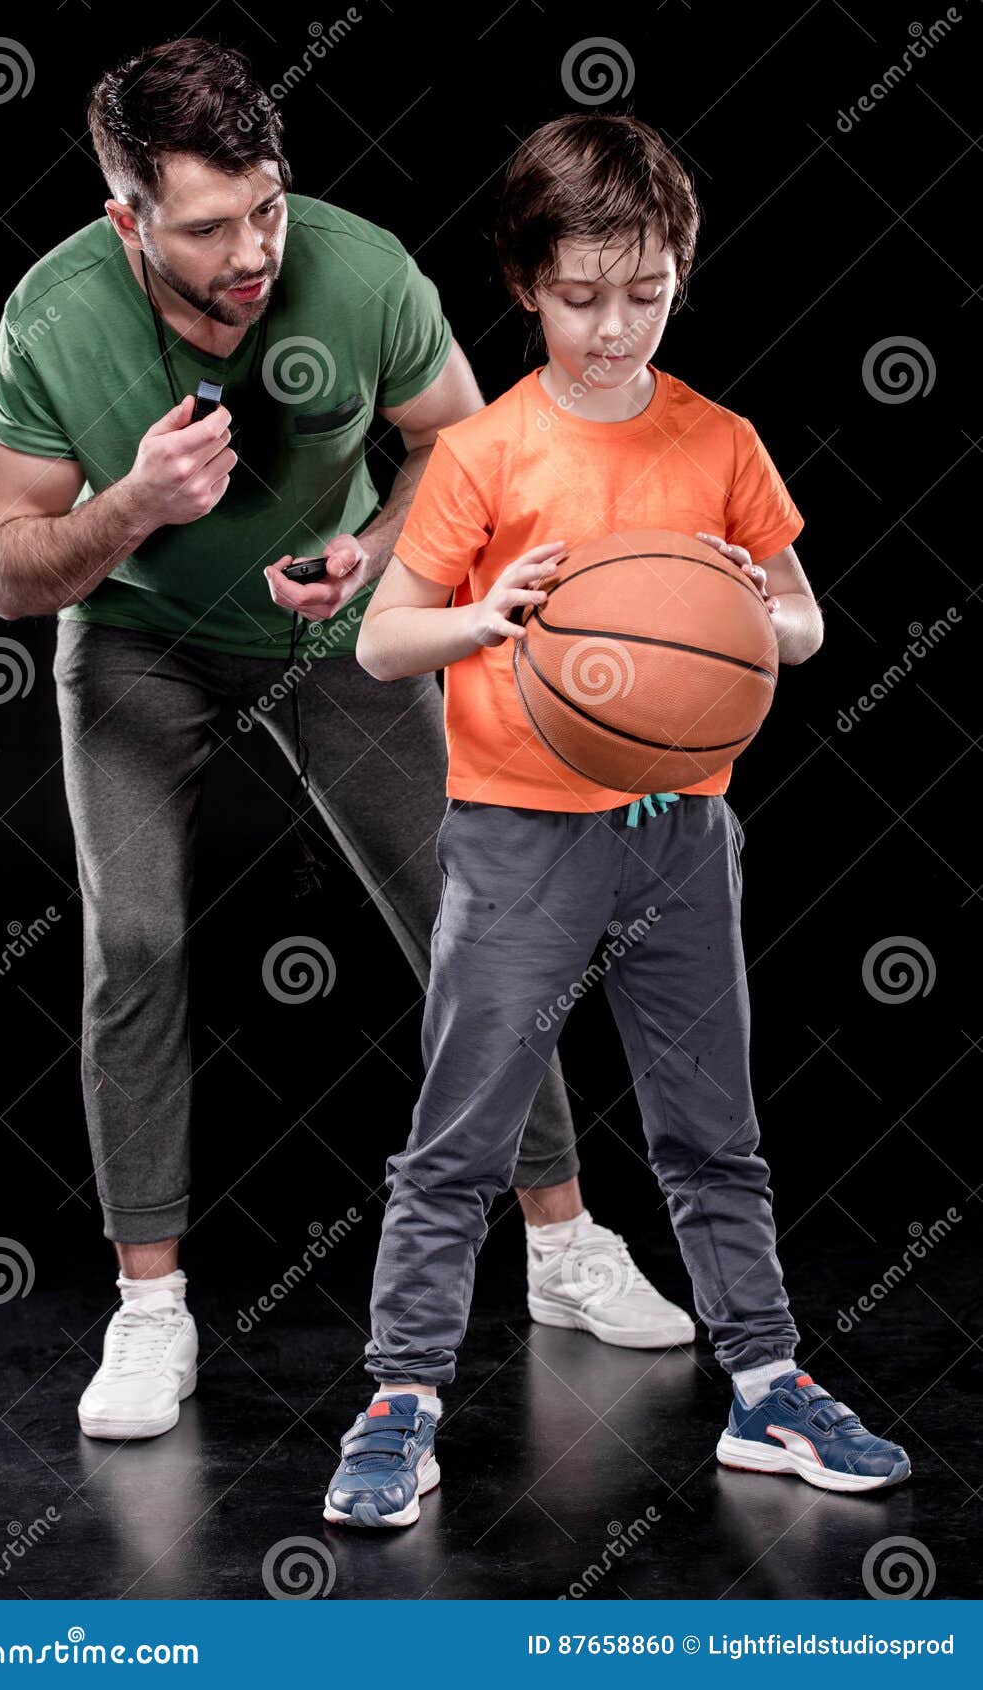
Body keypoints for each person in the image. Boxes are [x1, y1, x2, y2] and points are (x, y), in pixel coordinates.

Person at [0, 42, 692, 1444]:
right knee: (140, 943)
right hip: (139, 640)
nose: (249, 253)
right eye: (205, 227)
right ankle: (152, 1306)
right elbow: (5, 571)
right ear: (129, 221)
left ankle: (560, 1241)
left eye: (266, 209)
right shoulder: (53, 317)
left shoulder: (359, 275)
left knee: (480, 918)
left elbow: (460, 443)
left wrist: (370, 549)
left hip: (327, 629)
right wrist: (130, 509)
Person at [323, 111, 911, 1528]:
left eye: (645, 293)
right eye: (583, 296)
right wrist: (490, 610)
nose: (613, 326)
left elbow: (807, 624)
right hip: (520, 834)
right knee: (460, 1134)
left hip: (681, 829)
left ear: (678, 277)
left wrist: (743, 603)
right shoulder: (485, 451)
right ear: (528, 283)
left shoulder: (720, 439)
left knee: (713, 1128)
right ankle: (401, 1396)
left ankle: (767, 1382)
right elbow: (378, 645)